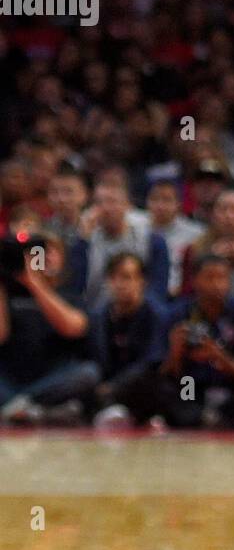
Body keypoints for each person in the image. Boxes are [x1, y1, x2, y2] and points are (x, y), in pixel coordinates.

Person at [157, 254, 234, 429]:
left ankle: (219, 416)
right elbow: (166, 373)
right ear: (194, 280)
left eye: (222, 277)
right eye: (209, 278)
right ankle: (198, 417)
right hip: (191, 386)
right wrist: (175, 353)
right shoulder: (176, 315)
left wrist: (218, 356)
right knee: (158, 384)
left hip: (231, 386)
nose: (216, 284)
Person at [0, 229, 99, 424]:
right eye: (37, 253)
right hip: (9, 380)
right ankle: (37, 411)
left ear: (62, 258)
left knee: (88, 373)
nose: (44, 258)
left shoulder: (70, 295)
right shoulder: (7, 293)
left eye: (50, 252)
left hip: (50, 379)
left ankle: (21, 407)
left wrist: (34, 283)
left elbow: (74, 328)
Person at [89, 252, 169, 427]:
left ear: (142, 281)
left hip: (141, 387)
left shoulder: (157, 315)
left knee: (156, 378)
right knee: (86, 374)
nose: (120, 284)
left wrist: (113, 387)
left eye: (127, 277)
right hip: (106, 385)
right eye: (114, 278)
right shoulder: (99, 317)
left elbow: (153, 361)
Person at [67, 178, 170, 308]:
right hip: (95, 315)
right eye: (99, 203)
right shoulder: (85, 241)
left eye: (112, 201)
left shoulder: (152, 240)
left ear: (127, 205)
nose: (106, 208)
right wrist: (83, 241)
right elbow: (75, 286)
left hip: (140, 313)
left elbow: (158, 290)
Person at [147, 179, 204, 297]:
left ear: (178, 204)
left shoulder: (196, 234)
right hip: (146, 296)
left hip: (183, 297)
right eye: (155, 199)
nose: (160, 206)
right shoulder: (137, 228)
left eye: (166, 200)